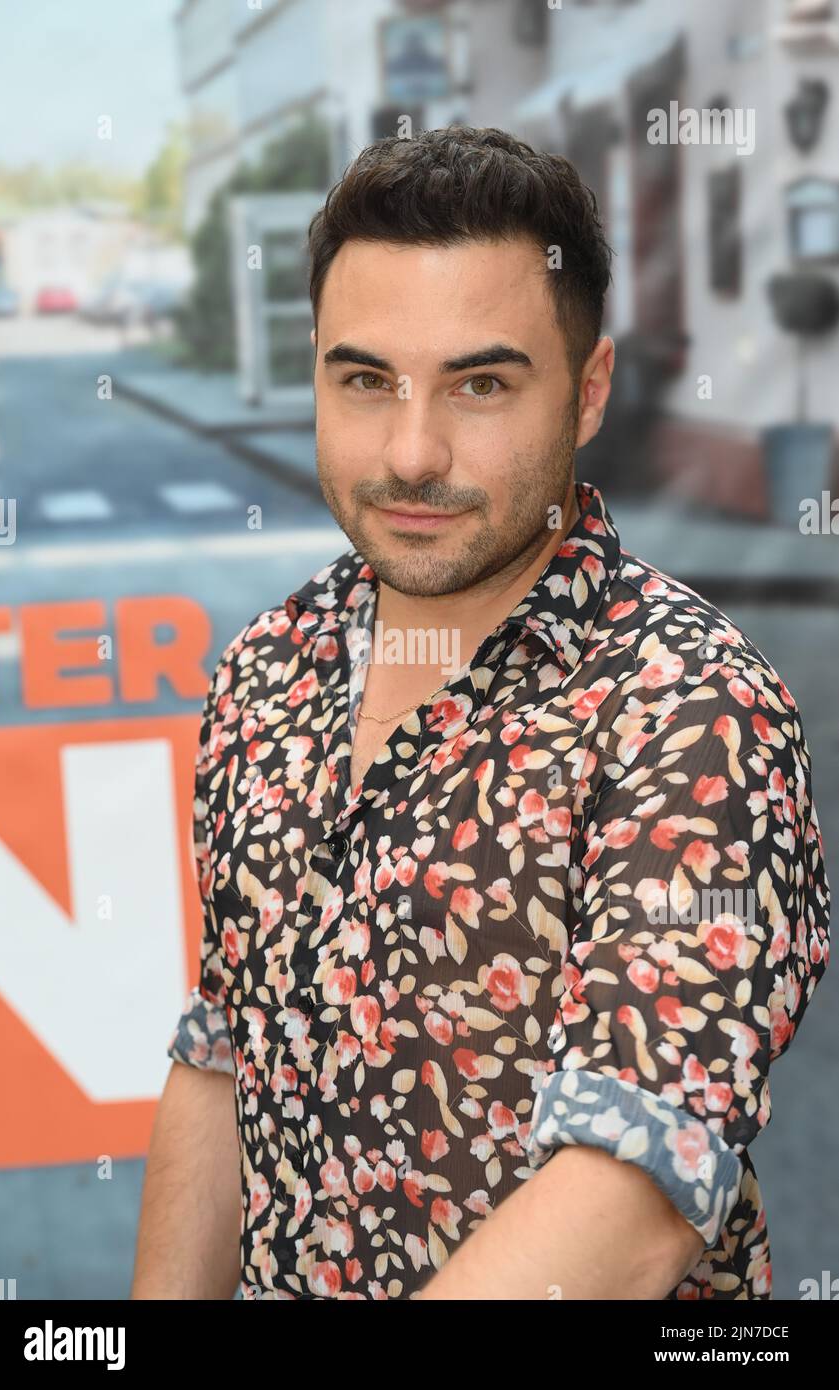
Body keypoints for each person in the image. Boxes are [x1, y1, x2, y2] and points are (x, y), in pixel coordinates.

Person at [131, 126, 830, 1301]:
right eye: (366, 380)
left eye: (481, 384)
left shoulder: (692, 711)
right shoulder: (264, 668)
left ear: (589, 390)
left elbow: (630, 1199)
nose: (412, 452)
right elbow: (219, 1060)